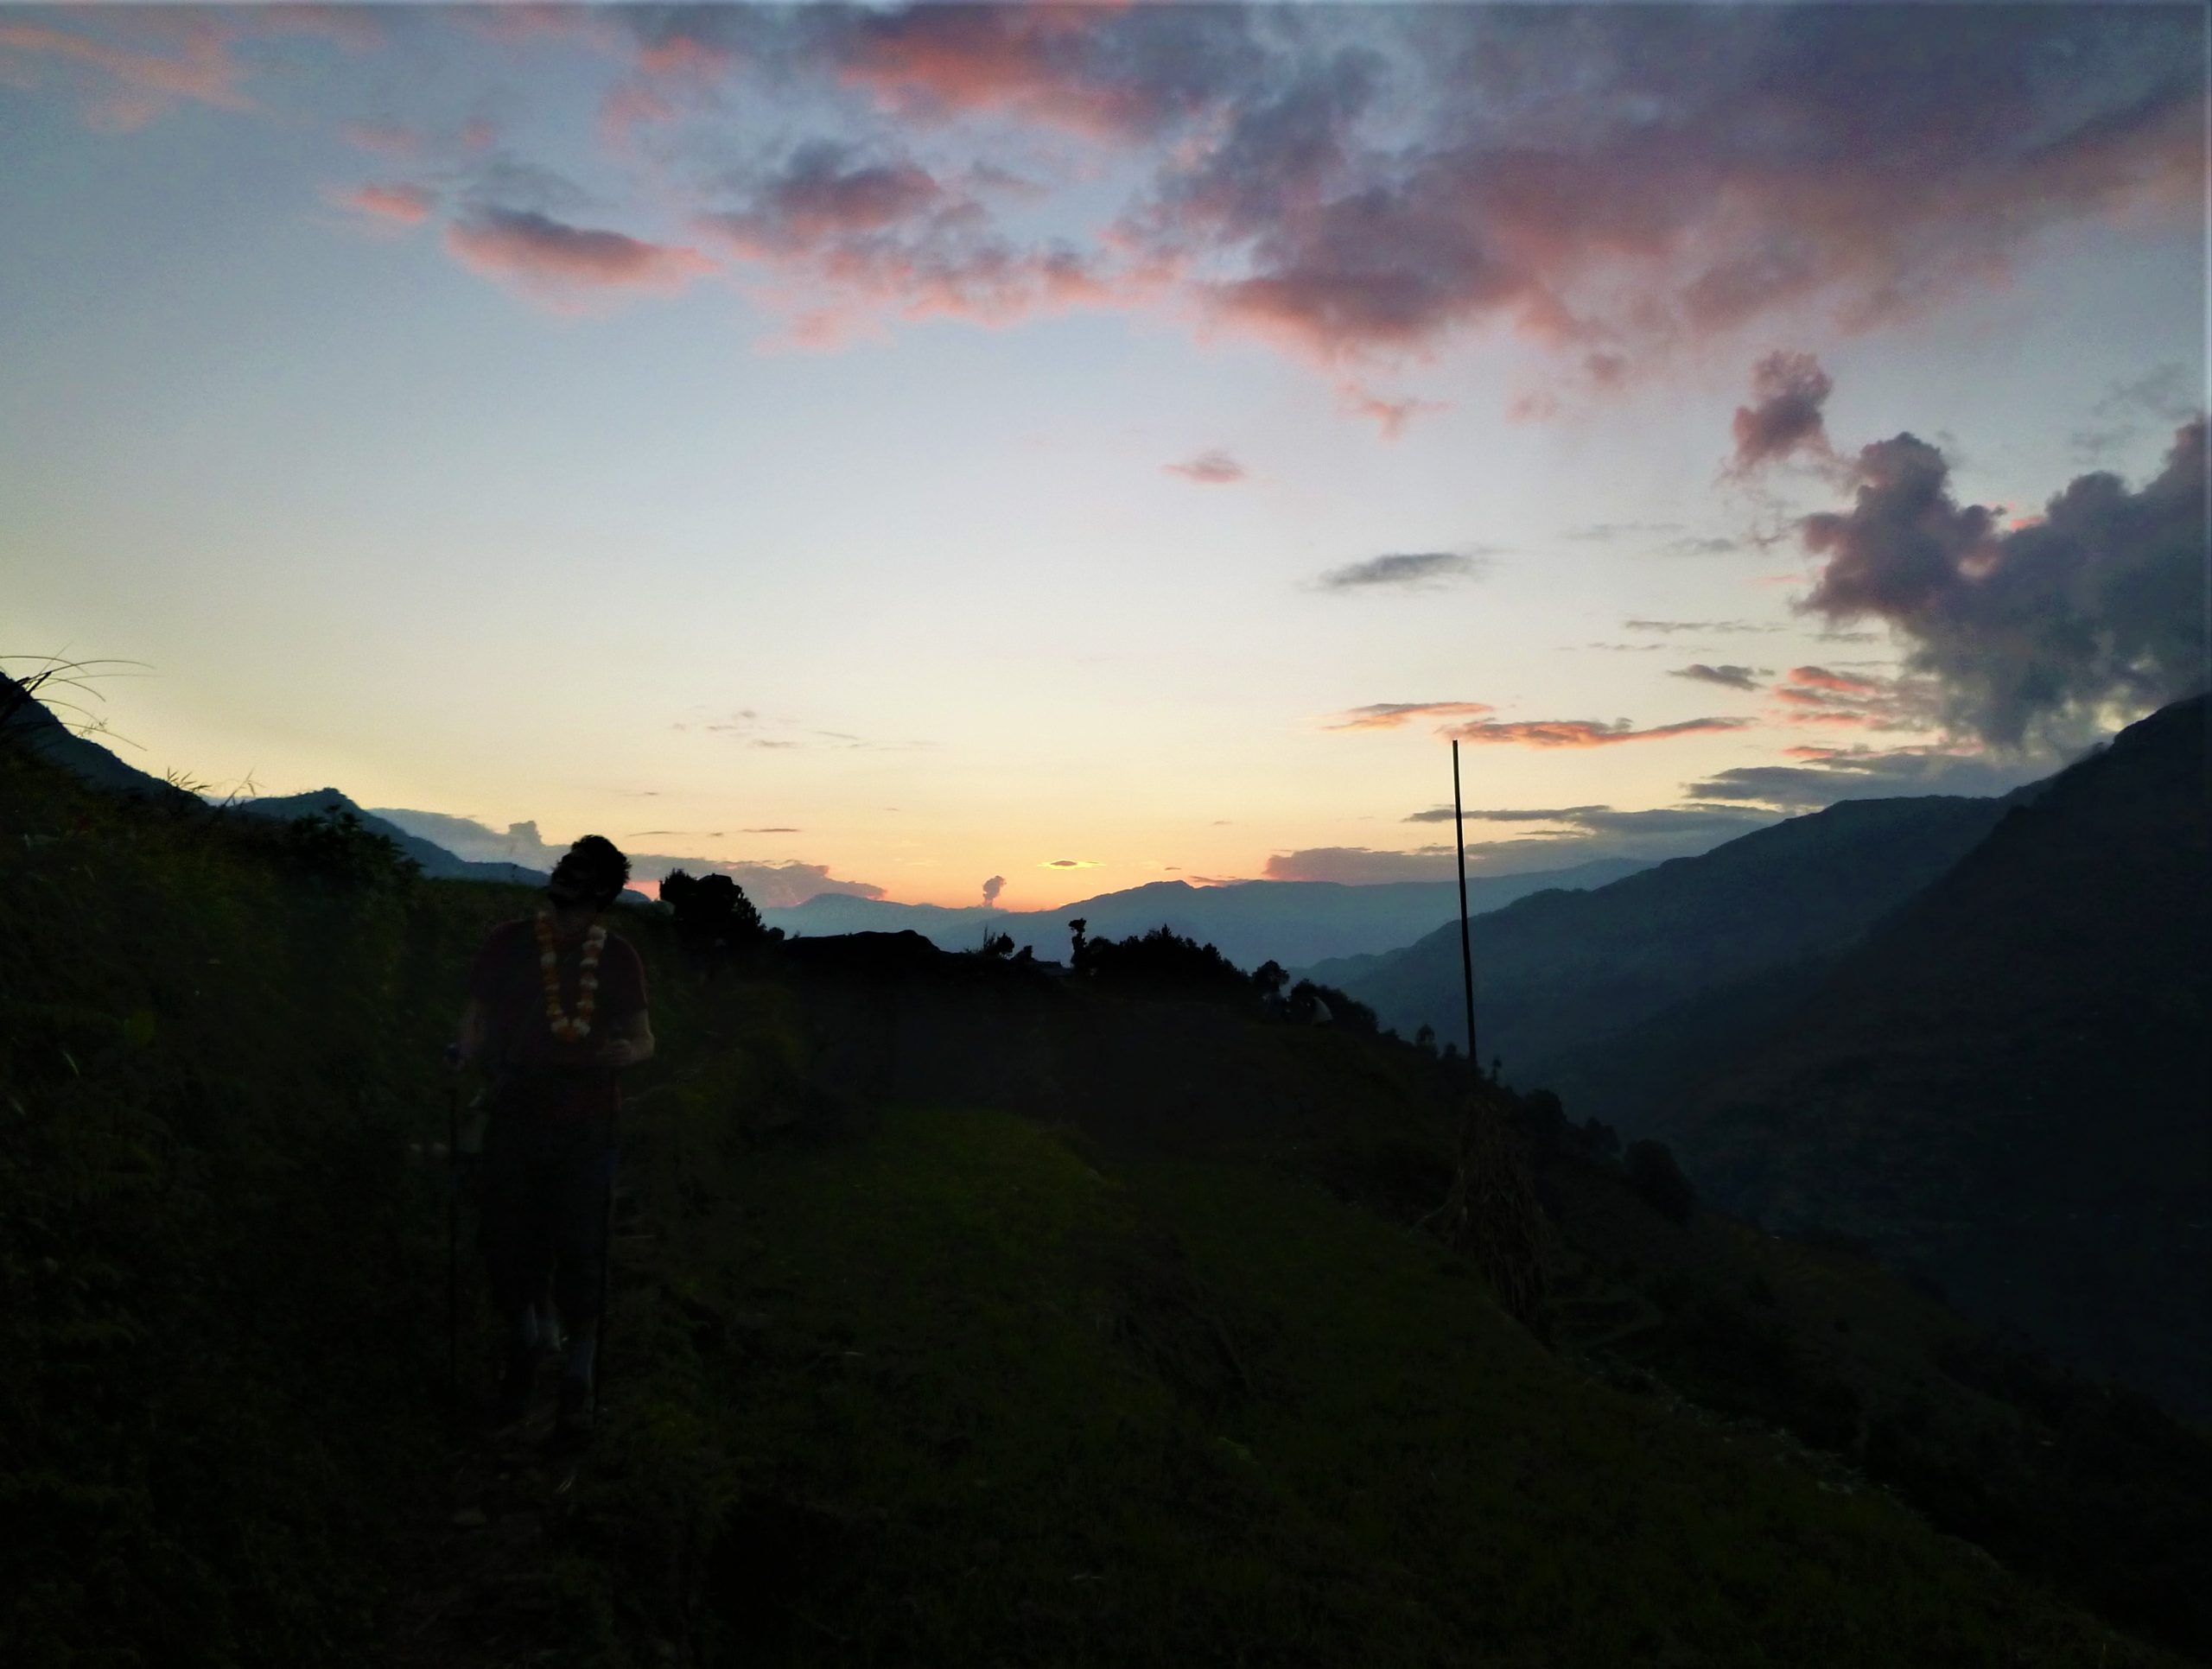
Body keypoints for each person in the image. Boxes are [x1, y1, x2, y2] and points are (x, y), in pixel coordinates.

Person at [448, 835, 653, 1437]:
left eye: (579, 871)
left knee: (582, 1246)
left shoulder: (616, 957)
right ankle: (526, 1346)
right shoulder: (508, 943)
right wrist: (462, 1052)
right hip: (514, 1113)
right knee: (508, 1240)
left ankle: (578, 1378)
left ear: (602, 892)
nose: (565, 874)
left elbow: (645, 1038)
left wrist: (627, 1053)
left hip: (588, 1121)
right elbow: (476, 1018)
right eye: (565, 864)